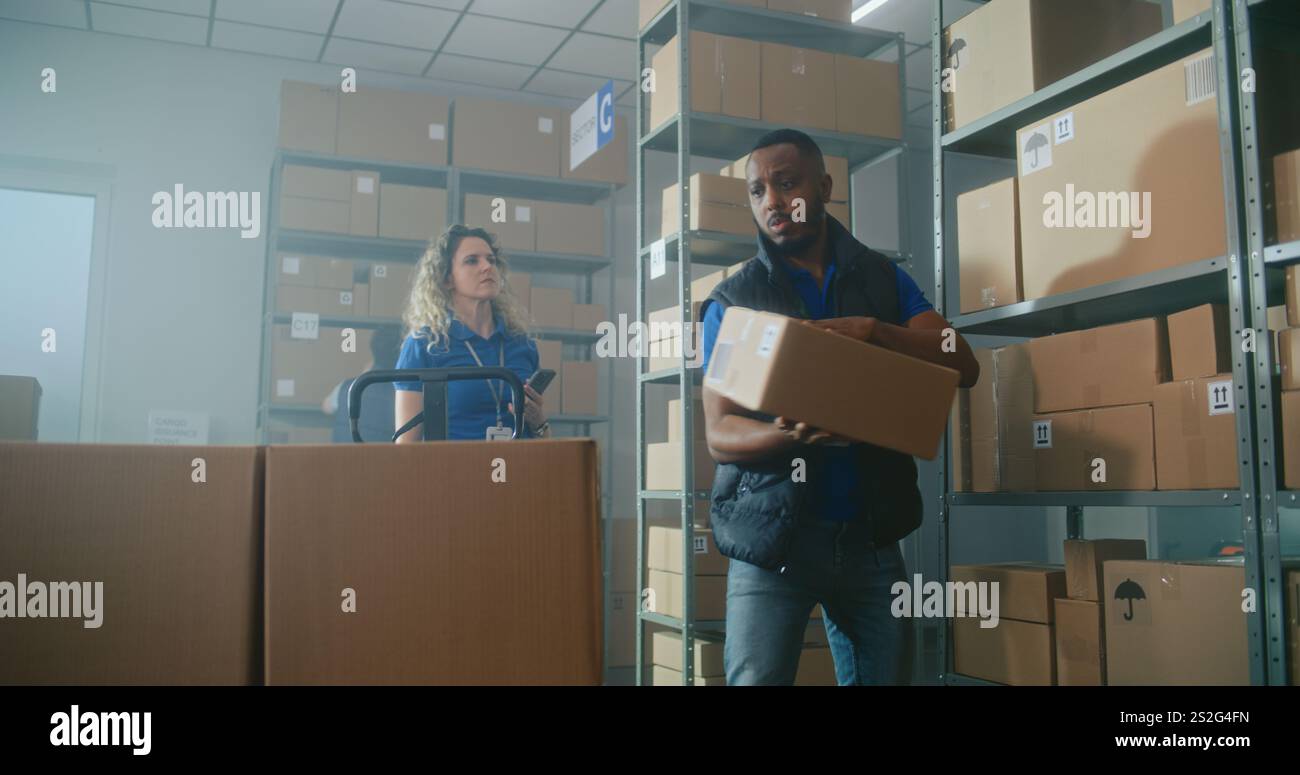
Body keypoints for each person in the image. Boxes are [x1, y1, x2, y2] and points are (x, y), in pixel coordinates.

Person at [698, 128, 981, 686]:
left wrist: (875, 331)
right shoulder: (734, 302)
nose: (773, 202)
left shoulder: (881, 279)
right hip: (771, 544)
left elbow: (961, 362)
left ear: (825, 186)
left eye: (786, 183)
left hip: (870, 540)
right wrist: (792, 437)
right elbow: (720, 433)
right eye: (757, 192)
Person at [393, 224, 549, 442]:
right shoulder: (423, 344)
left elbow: (542, 438)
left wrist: (539, 420)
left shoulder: (522, 343)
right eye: (472, 261)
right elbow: (406, 446)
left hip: (519, 470)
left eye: (491, 260)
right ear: (447, 278)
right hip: (453, 471)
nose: (487, 267)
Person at [322, 326, 402, 443]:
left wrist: (364, 375)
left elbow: (326, 407)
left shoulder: (347, 386)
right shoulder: (402, 393)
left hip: (342, 459)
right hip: (382, 459)